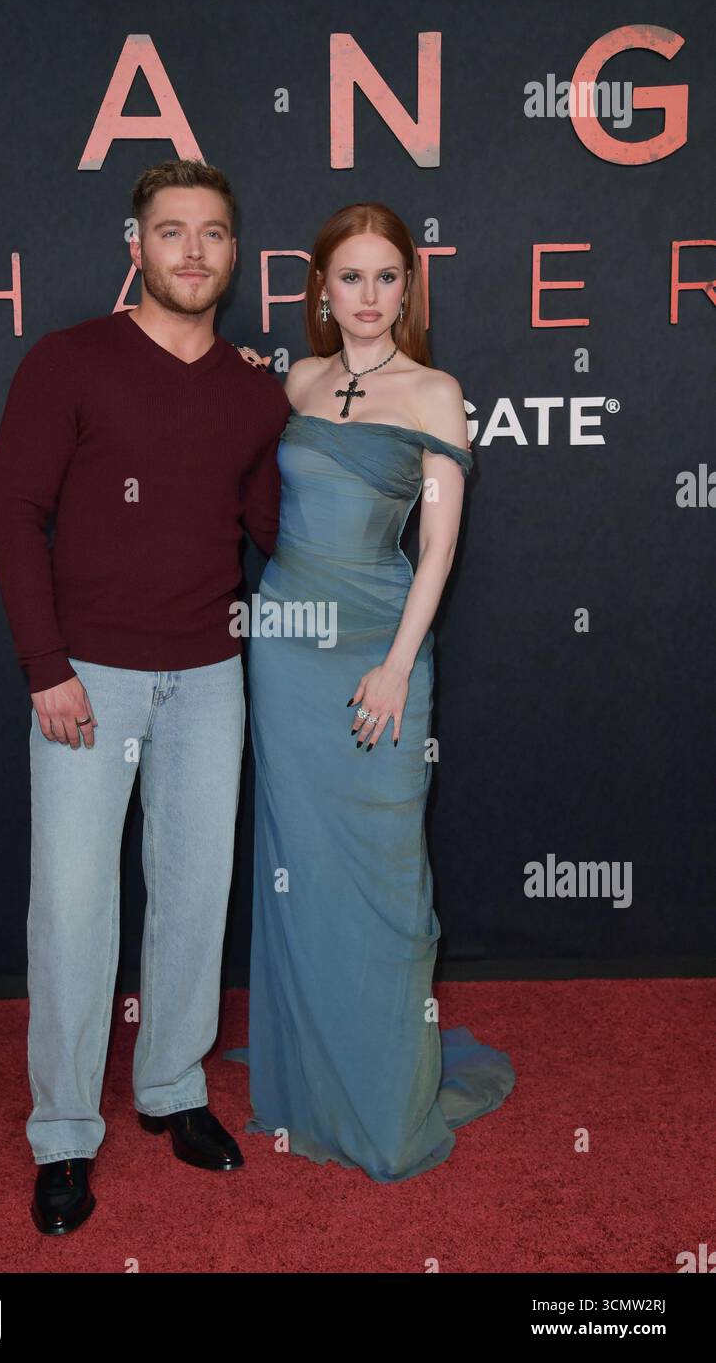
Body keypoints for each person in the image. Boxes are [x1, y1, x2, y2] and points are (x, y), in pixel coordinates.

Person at [0, 158, 290, 1234]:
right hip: (89, 675)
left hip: (211, 675)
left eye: (212, 233)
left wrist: (320, 413)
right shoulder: (67, 361)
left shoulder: (255, 391)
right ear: (137, 245)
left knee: (193, 894)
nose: (193, 252)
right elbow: (14, 513)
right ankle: (64, 1133)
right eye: (172, 232)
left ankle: (171, 1087)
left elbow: (268, 529)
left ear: (234, 253)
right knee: (72, 908)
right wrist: (44, 665)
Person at [224, 203, 516, 1182]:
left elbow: (436, 547)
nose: (367, 296)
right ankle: (308, 1077)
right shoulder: (296, 380)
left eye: (386, 277)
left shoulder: (435, 393)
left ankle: (382, 1094)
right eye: (348, 277)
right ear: (319, 289)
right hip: (282, 644)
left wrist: (396, 662)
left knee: (386, 879)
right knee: (296, 864)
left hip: (378, 648)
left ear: (408, 288)